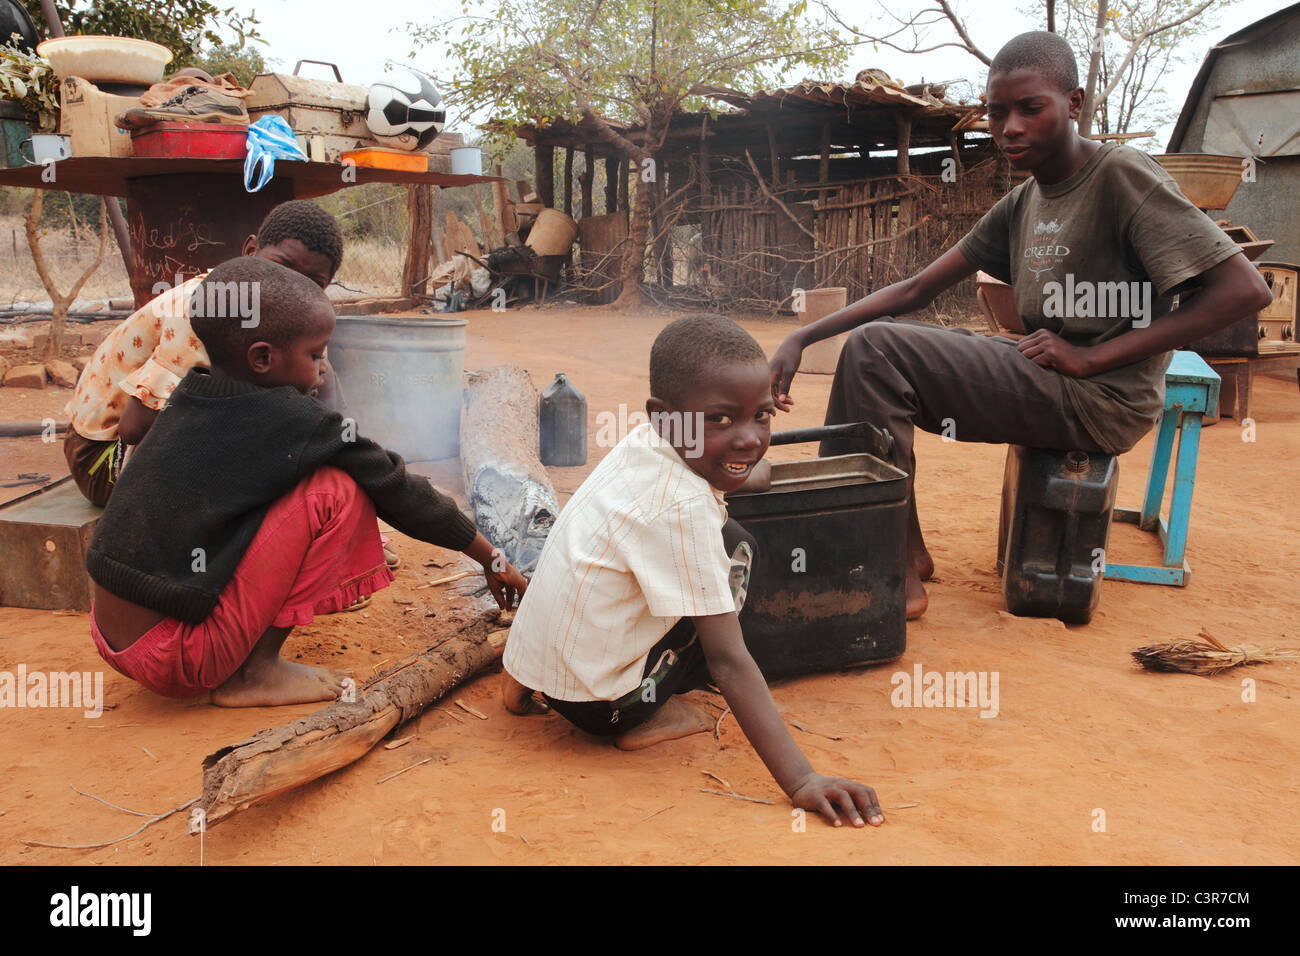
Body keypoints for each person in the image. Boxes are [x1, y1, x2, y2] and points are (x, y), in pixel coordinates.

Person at [768, 31, 1273, 620]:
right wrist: (804, 334)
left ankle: (886, 570)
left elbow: (1244, 290)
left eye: (1030, 108)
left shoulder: (1120, 177)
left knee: (879, 352)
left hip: (1100, 397)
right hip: (1052, 375)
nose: (1008, 127)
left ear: (1074, 104)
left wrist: (1091, 358)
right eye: (996, 111)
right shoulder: (1026, 200)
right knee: (872, 353)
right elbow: (916, 289)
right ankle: (898, 549)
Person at [84, 257, 529, 708]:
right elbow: (396, 488)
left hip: (110, 636)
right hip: (178, 657)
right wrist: (489, 556)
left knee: (294, 482)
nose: (322, 368)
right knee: (338, 489)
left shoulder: (190, 393)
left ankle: (241, 661)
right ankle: (254, 674)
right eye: (316, 355)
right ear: (262, 358)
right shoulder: (295, 421)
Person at [502, 315, 885, 828]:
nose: (749, 438)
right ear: (667, 417)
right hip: (605, 706)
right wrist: (802, 780)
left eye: (762, 417)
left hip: (543, 672)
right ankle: (650, 715)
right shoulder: (682, 507)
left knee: (704, 548)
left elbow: (713, 464)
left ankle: (521, 682)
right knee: (738, 554)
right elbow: (727, 659)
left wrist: (745, 469)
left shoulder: (648, 442)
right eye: (723, 420)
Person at [64, 199, 347, 507]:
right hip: (103, 456)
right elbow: (136, 427)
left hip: (166, 442)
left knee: (317, 387)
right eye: (279, 267)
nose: (290, 288)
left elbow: (318, 402)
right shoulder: (205, 308)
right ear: (251, 251)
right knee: (261, 462)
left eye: (311, 283)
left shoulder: (300, 317)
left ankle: (333, 515)